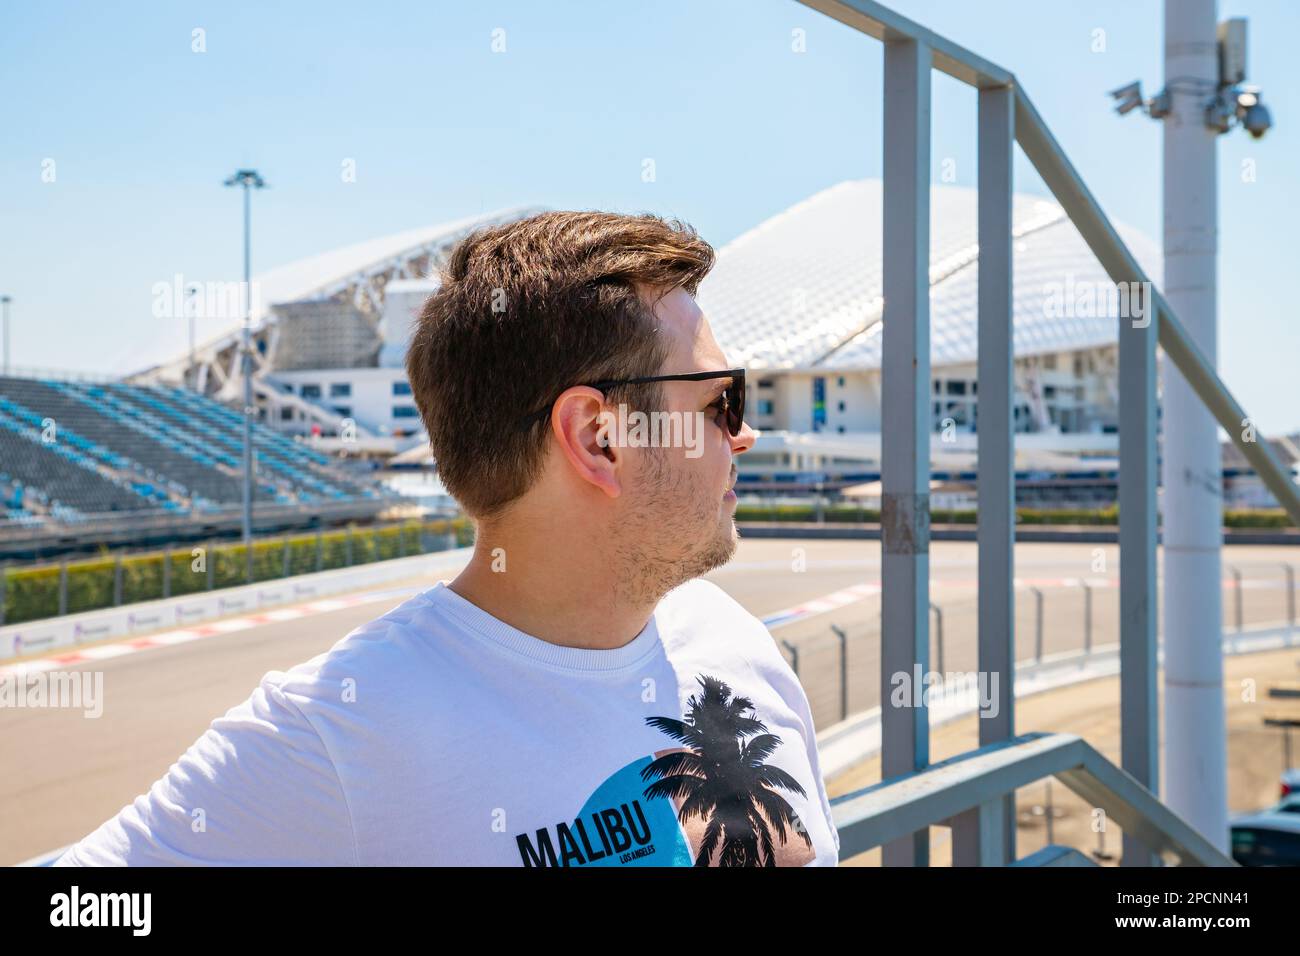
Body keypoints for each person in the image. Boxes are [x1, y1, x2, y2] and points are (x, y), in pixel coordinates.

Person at [55, 210, 841, 867]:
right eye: (721, 403)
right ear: (600, 437)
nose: (748, 436)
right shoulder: (342, 731)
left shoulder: (735, 643)